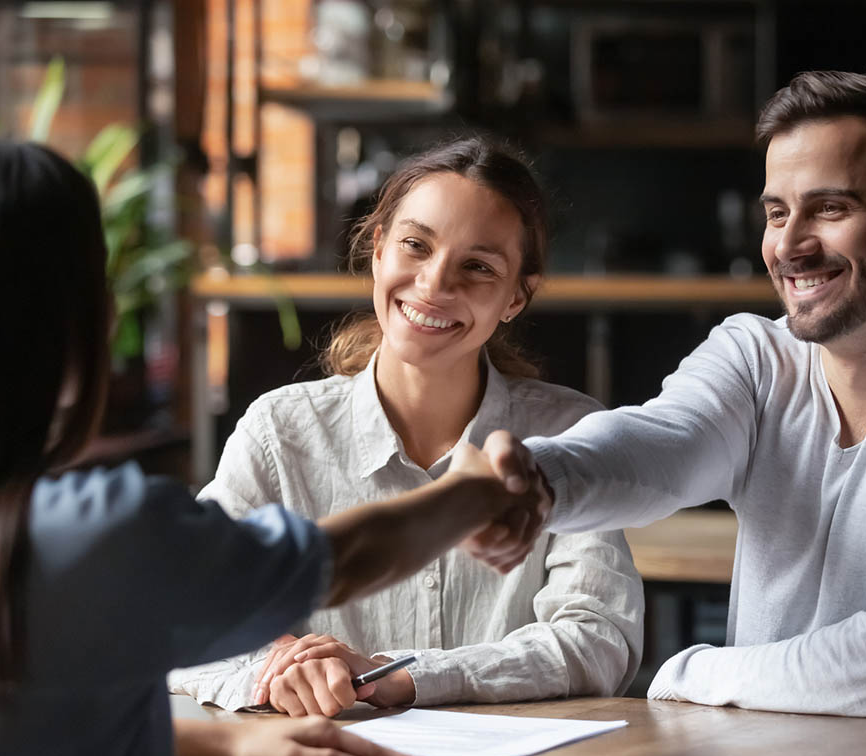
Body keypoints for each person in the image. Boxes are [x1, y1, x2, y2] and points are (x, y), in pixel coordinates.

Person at [480, 71, 866, 756]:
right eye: (775, 213)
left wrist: (688, 673)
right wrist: (536, 481)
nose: (791, 245)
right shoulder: (755, 355)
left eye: (829, 208)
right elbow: (659, 445)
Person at [0, 139, 545, 756]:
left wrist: (225, 739)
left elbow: (38, 720)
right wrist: (471, 493)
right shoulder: (100, 533)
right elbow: (347, 556)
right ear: (90, 321)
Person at [168, 137, 644, 717]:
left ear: (517, 296)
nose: (435, 284)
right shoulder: (280, 433)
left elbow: (598, 640)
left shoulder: (569, 433)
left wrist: (399, 675)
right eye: (416, 245)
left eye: (477, 267)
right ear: (377, 250)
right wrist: (278, 665)